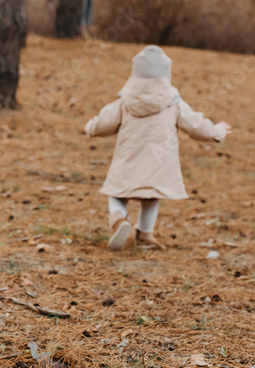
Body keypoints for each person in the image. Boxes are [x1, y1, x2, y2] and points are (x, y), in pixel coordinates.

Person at [84, 45, 230, 251]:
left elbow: (103, 123)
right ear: (166, 76)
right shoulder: (174, 103)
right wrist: (218, 132)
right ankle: (144, 235)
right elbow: (196, 126)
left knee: (117, 193)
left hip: (128, 160)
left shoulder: (124, 102)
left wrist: (90, 127)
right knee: (151, 197)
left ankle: (118, 219)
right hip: (158, 164)